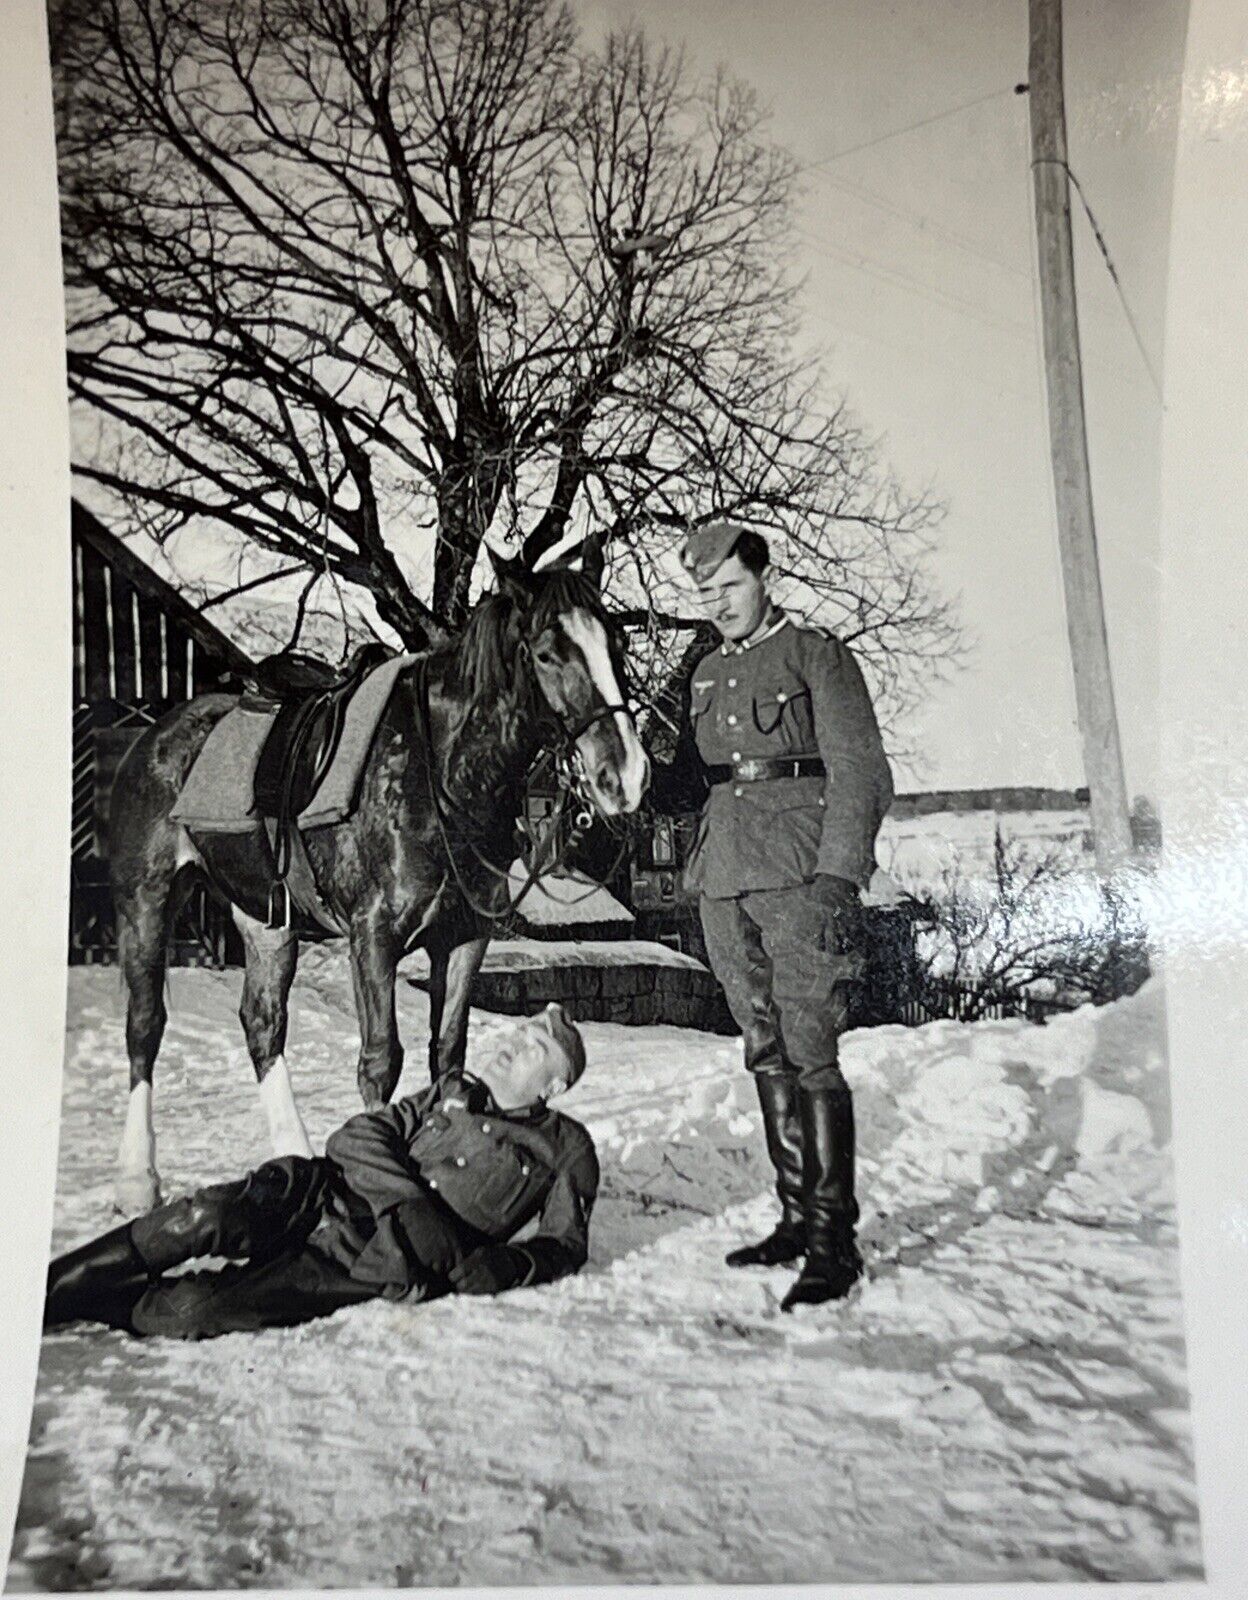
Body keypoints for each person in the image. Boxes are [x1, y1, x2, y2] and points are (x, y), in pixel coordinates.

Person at [651, 522, 894, 1311]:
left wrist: (837, 879)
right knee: (762, 1047)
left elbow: (862, 771)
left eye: (729, 587)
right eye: (704, 593)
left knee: (810, 1047)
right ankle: (794, 1217)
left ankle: (833, 1242)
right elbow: (692, 782)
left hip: (798, 873)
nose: (717, 604)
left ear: (765, 577)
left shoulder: (815, 654)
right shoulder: (703, 671)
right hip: (722, 876)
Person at [44, 1004, 598, 1340]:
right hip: (319, 1189)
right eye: (519, 1033)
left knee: (198, 1309)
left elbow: (564, 1247)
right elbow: (357, 1135)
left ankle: (77, 1303)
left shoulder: (566, 1149)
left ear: (554, 1085)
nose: (513, 1045)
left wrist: (498, 1267)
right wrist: (410, 1204)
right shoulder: (451, 1089)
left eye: (535, 1047)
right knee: (202, 1216)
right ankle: (45, 1289)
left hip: (368, 1259)